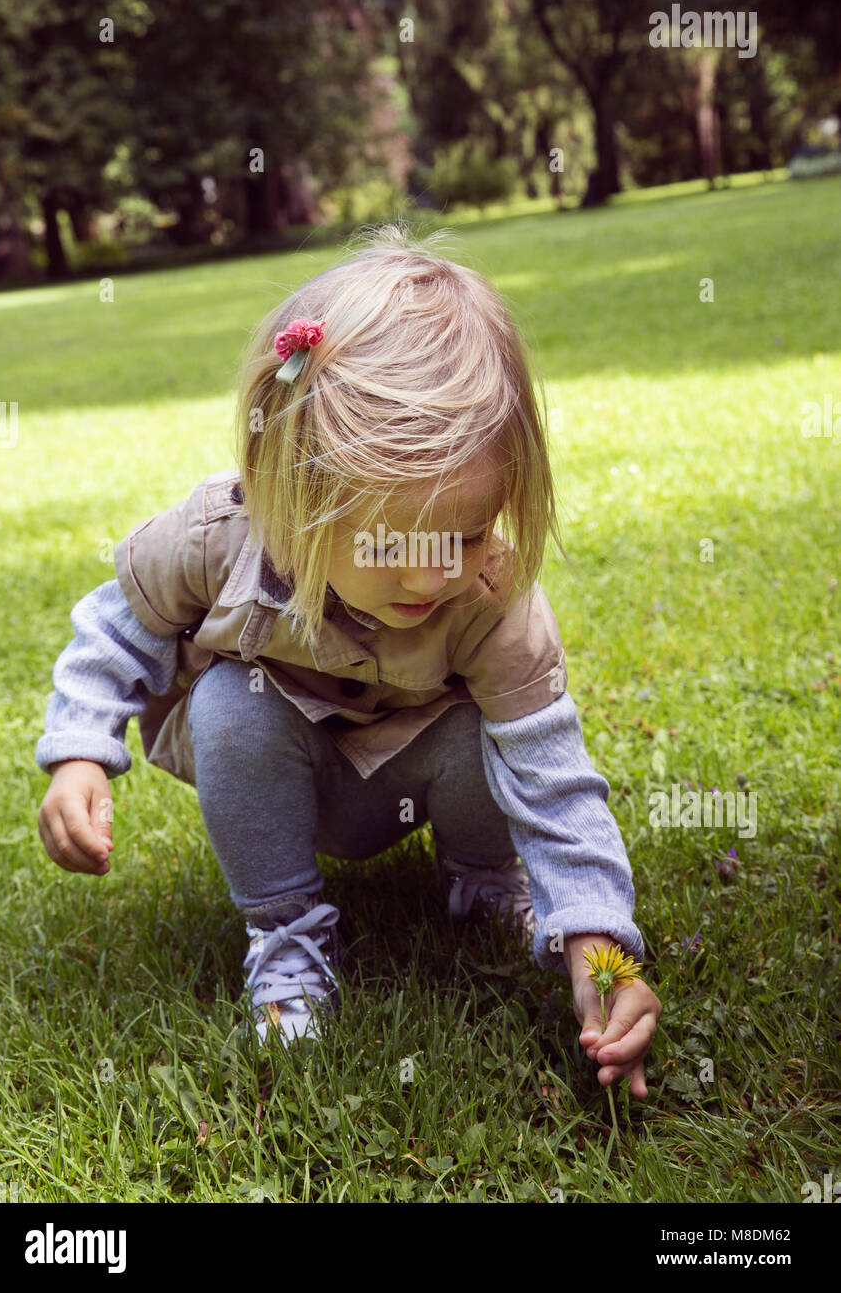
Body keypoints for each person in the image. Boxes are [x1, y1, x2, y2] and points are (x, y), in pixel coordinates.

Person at [35, 223, 661, 1094]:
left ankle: (486, 881)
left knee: (490, 727)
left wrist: (606, 951)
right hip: (289, 771)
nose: (431, 572)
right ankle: (285, 930)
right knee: (231, 702)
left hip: (424, 764)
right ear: (286, 493)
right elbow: (118, 627)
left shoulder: (488, 598)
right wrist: (77, 749)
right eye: (387, 540)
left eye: (467, 530)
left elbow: (554, 777)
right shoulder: (219, 539)